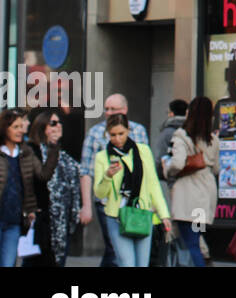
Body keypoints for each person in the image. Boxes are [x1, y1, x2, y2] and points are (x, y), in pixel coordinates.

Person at [79, 93, 149, 267]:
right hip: (107, 201)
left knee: (133, 254)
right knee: (114, 249)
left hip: (135, 203)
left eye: (113, 109)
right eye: (107, 109)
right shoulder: (96, 133)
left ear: (124, 110)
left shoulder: (138, 131)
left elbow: (147, 171)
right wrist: (86, 206)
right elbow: (86, 171)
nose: (109, 112)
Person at [92, 114, 170, 267]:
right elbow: (99, 193)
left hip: (142, 214)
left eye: (121, 133)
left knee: (142, 264)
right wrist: (108, 176)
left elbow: (153, 184)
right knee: (127, 263)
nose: (117, 139)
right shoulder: (103, 157)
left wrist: (164, 214)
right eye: (113, 135)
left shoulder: (143, 151)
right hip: (116, 216)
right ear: (107, 134)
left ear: (128, 131)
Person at [163, 96, 218, 267]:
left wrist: (167, 167)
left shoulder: (181, 137)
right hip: (205, 196)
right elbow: (216, 169)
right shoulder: (213, 140)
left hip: (187, 197)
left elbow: (178, 163)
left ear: (190, 113)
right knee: (197, 238)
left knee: (190, 243)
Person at [0, 109, 59, 267]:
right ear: (5, 128)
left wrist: (53, 149)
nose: (20, 130)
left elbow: (43, 175)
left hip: (14, 220)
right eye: (15, 127)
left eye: (21, 126)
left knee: (8, 263)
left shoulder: (26, 152)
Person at [25, 110, 80, 267]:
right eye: (53, 123)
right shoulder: (31, 151)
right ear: (42, 127)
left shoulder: (66, 158)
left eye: (60, 123)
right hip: (40, 219)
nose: (58, 126)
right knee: (34, 262)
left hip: (61, 223)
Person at [156, 99, 188, 182]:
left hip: (173, 175)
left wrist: (162, 172)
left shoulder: (167, 132)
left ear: (171, 113)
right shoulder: (192, 129)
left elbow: (162, 154)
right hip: (192, 174)